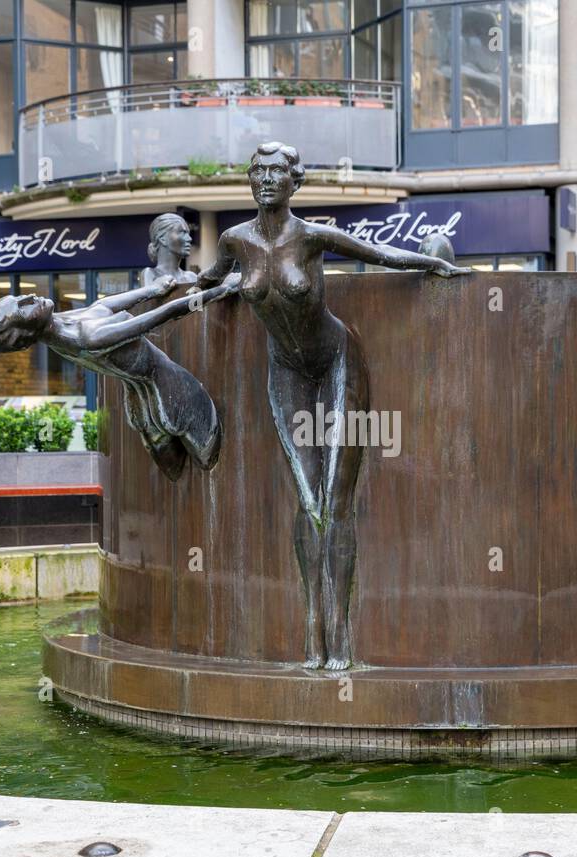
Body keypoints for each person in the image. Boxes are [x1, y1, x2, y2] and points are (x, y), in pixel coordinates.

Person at [191, 141, 469, 670]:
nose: (267, 179)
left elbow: (381, 255)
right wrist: (180, 290)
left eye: (278, 172)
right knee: (308, 500)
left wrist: (435, 266)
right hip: (286, 373)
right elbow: (206, 281)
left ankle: (339, 629)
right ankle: (311, 622)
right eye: (259, 172)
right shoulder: (235, 241)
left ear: (295, 182)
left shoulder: (312, 237)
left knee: (336, 500)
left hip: (338, 361)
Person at [0, 273, 240, 480]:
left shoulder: (63, 324)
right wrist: (221, 290)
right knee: (212, 466)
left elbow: (102, 305)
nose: (31, 296)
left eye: (21, 297)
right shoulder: (85, 337)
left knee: (183, 478)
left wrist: (152, 290)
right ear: (26, 333)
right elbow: (164, 314)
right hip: (171, 393)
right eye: (23, 307)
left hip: (141, 405)